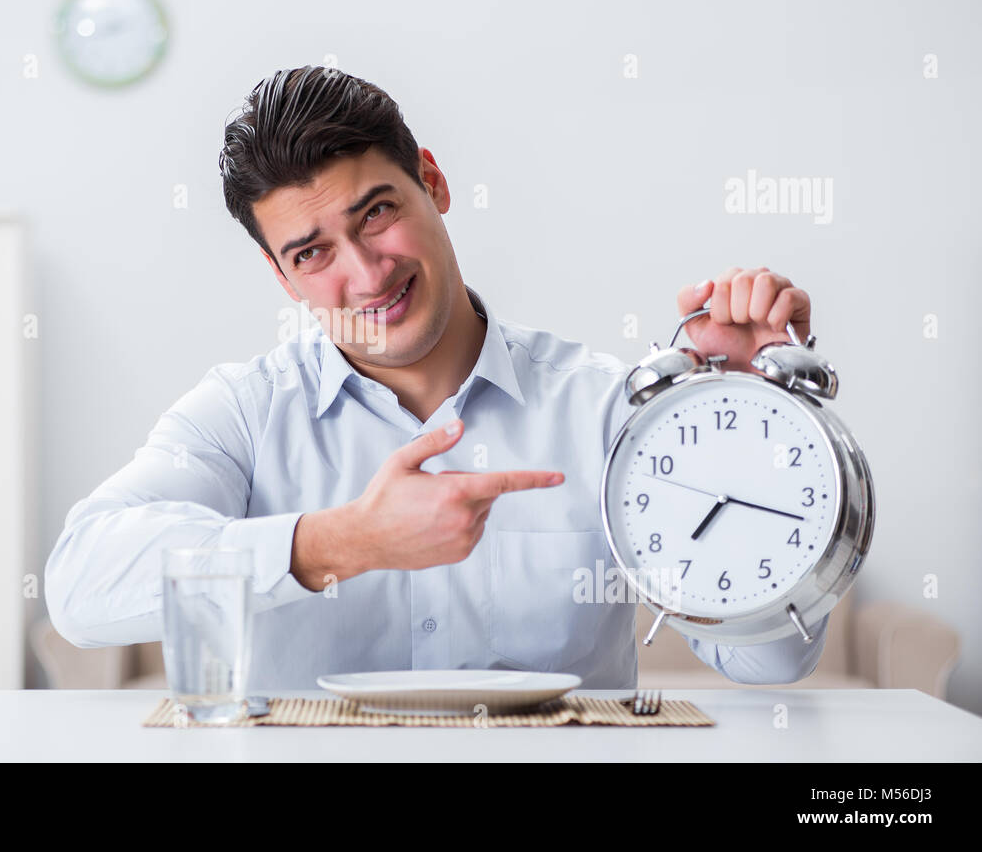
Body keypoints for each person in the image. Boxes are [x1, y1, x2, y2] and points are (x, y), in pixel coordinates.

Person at [45, 65, 826, 689]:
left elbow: (771, 661)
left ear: (433, 181)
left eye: (376, 212)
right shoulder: (243, 414)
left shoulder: (604, 407)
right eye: (311, 252)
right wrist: (337, 542)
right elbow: (81, 586)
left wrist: (753, 415)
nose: (364, 272)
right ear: (281, 276)